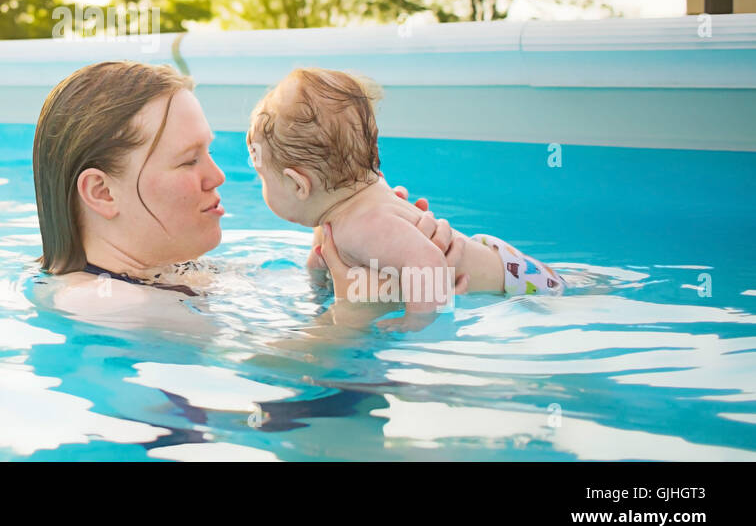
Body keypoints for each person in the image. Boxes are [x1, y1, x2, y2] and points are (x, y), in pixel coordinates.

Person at [31, 60, 465, 332]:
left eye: (209, 152)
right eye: (188, 161)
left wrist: (343, 255)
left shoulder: (171, 273)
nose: (217, 175)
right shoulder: (105, 305)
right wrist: (358, 316)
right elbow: (259, 388)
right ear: (102, 192)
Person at [249, 68, 567, 331]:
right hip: (508, 263)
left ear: (298, 185)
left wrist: (418, 322)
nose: (262, 185)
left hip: (522, 288)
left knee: (572, 300)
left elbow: (427, 263)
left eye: (262, 177)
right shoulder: (358, 199)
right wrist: (317, 269)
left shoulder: (362, 226)